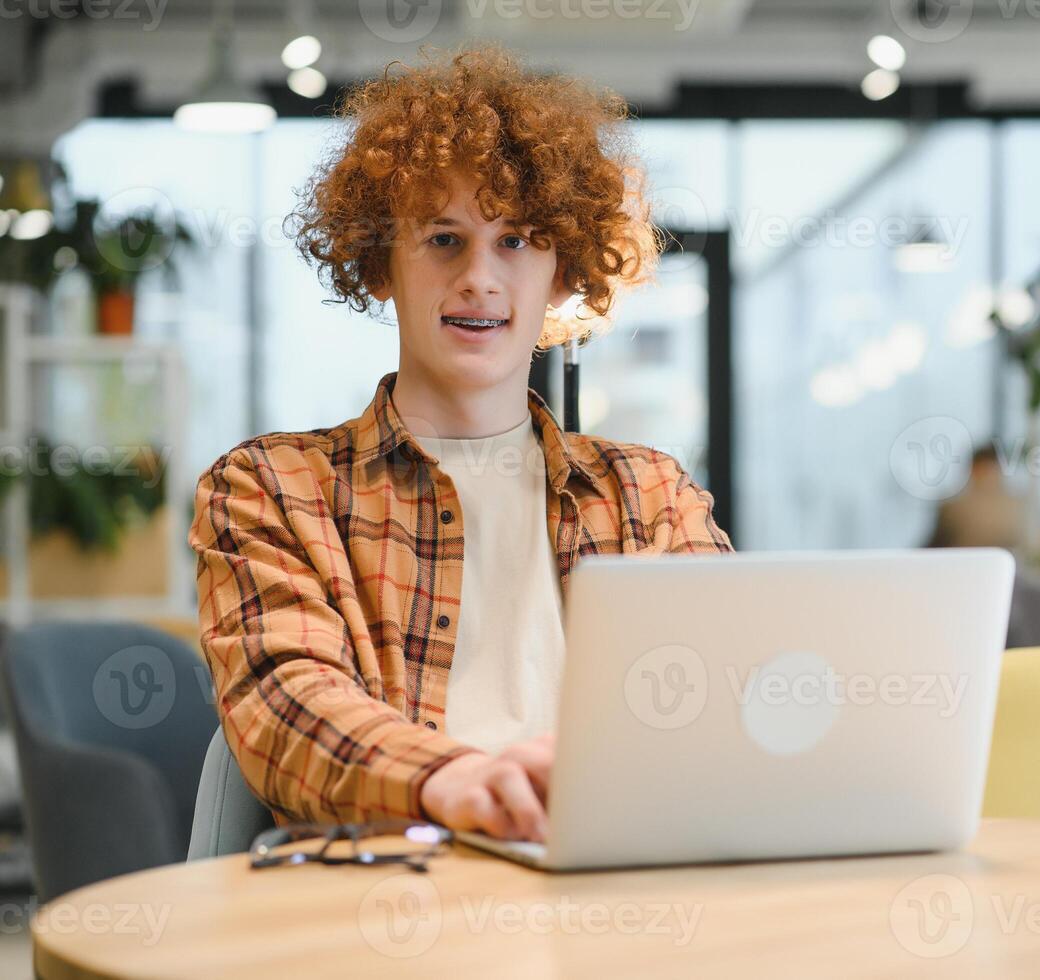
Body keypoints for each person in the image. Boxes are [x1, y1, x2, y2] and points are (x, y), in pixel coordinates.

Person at [188, 45, 733, 845]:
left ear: (561, 273)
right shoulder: (271, 487)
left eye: (516, 241)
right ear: (380, 264)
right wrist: (458, 780)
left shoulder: (649, 494)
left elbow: (719, 695)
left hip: (612, 872)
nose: (480, 276)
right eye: (443, 239)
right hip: (396, 890)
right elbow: (286, 706)